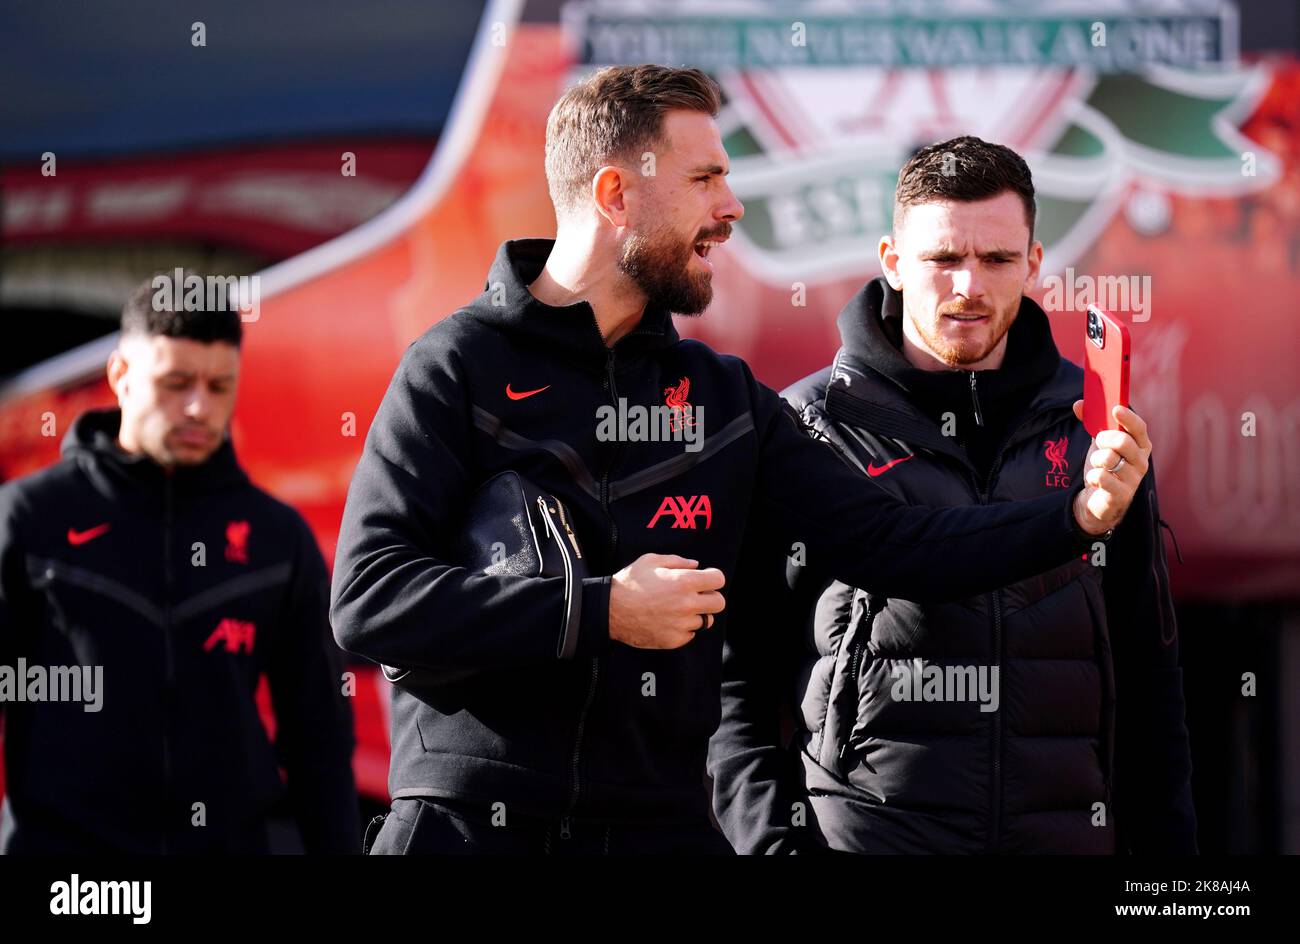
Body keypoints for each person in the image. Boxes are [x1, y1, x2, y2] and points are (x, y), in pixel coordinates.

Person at [330, 67, 1150, 856]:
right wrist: (601, 609)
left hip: (661, 830)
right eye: (706, 179)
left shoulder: (725, 401)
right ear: (617, 194)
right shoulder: (456, 362)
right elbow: (368, 600)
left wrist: (1078, 517)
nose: (730, 208)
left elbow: (901, 546)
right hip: (470, 826)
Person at [708, 136, 1196, 854]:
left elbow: (1152, 687)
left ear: (1034, 265)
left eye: (997, 260)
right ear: (893, 262)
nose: (969, 285)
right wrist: (775, 846)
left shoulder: (1100, 431)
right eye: (943, 259)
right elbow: (732, 690)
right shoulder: (806, 429)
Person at [0, 272, 359, 854]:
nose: (199, 407)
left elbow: (317, 739)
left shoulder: (276, 539)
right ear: (119, 376)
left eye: (220, 386)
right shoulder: (28, 518)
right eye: (176, 383)